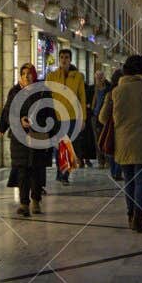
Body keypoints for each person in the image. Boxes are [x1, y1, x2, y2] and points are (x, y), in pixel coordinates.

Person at [101, 55, 142, 230]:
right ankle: (138, 216)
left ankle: (130, 213)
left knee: (129, 181)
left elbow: (103, 118)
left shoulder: (116, 91)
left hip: (123, 141)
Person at [0, 64, 49, 216]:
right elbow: (8, 111)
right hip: (19, 137)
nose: (26, 76)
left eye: (29, 73)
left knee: (36, 169)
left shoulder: (42, 92)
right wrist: (5, 126)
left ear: (34, 75)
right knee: (22, 171)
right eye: (23, 73)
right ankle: (23, 203)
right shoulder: (15, 92)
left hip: (38, 137)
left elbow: (50, 113)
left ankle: (35, 201)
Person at [46, 49, 87, 185]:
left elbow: (82, 98)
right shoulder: (52, 76)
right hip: (57, 117)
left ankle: (64, 174)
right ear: (59, 59)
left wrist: (83, 119)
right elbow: (47, 96)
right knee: (59, 147)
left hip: (72, 117)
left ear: (70, 59)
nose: (64, 59)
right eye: (62, 57)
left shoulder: (78, 77)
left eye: (67, 57)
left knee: (67, 146)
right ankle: (60, 171)